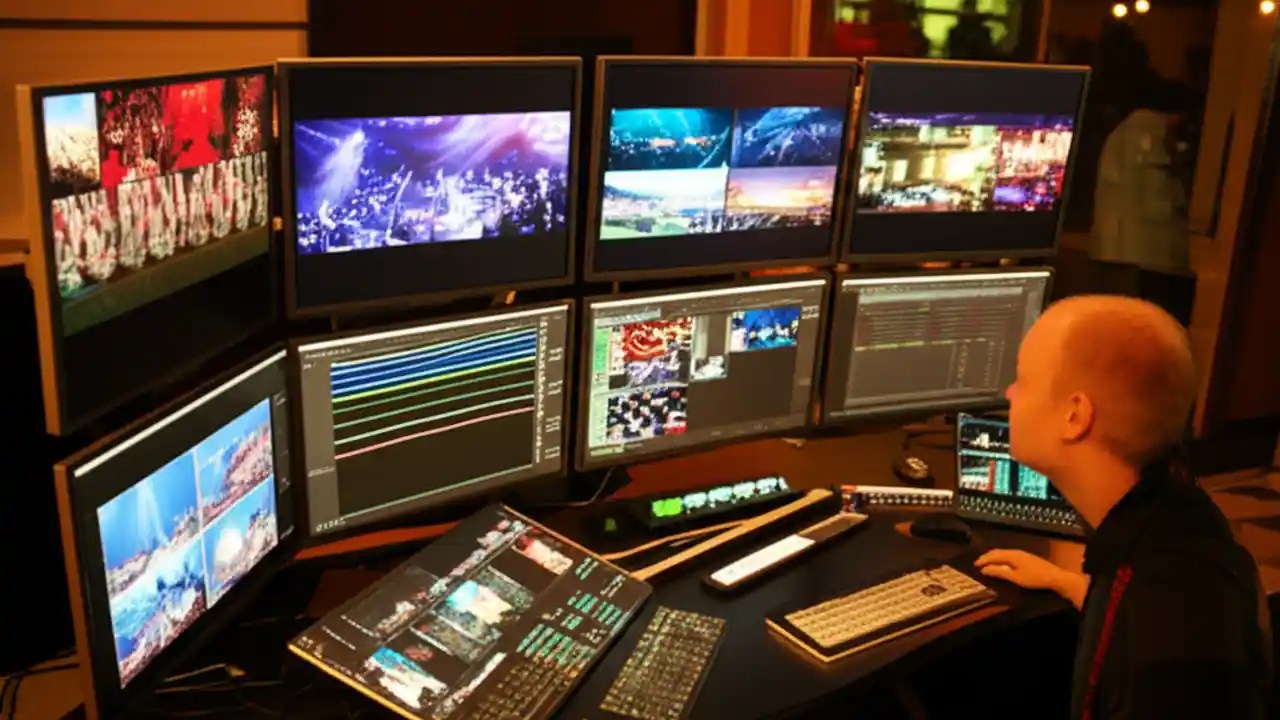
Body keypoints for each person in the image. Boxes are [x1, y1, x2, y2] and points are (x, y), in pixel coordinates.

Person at [974, 295, 1271, 719]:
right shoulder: (1179, 521)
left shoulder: (1165, 636)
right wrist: (1072, 584)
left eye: (1023, 379)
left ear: (1075, 416)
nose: (1009, 392)